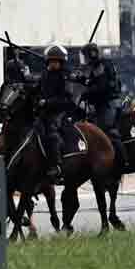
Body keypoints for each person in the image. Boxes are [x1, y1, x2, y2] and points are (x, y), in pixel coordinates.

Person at [72, 43, 126, 170]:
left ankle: (122, 160)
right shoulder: (97, 66)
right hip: (103, 104)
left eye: (85, 56)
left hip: (109, 104)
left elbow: (102, 87)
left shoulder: (100, 65)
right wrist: (80, 79)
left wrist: (87, 92)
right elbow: (92, 81)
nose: (84, 59)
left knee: (107, 131)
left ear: (92, 54)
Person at [35, 45, 75, 181]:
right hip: (45, 111)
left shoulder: (66, 76)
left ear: (61, 62)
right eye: (51, 61)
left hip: (61, 111)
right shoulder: (45, 74)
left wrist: (47, 102)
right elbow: (37, 88)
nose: (53, 64)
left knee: (52, 133)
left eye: (56, 61)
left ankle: (57, 166)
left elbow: (67, 98)